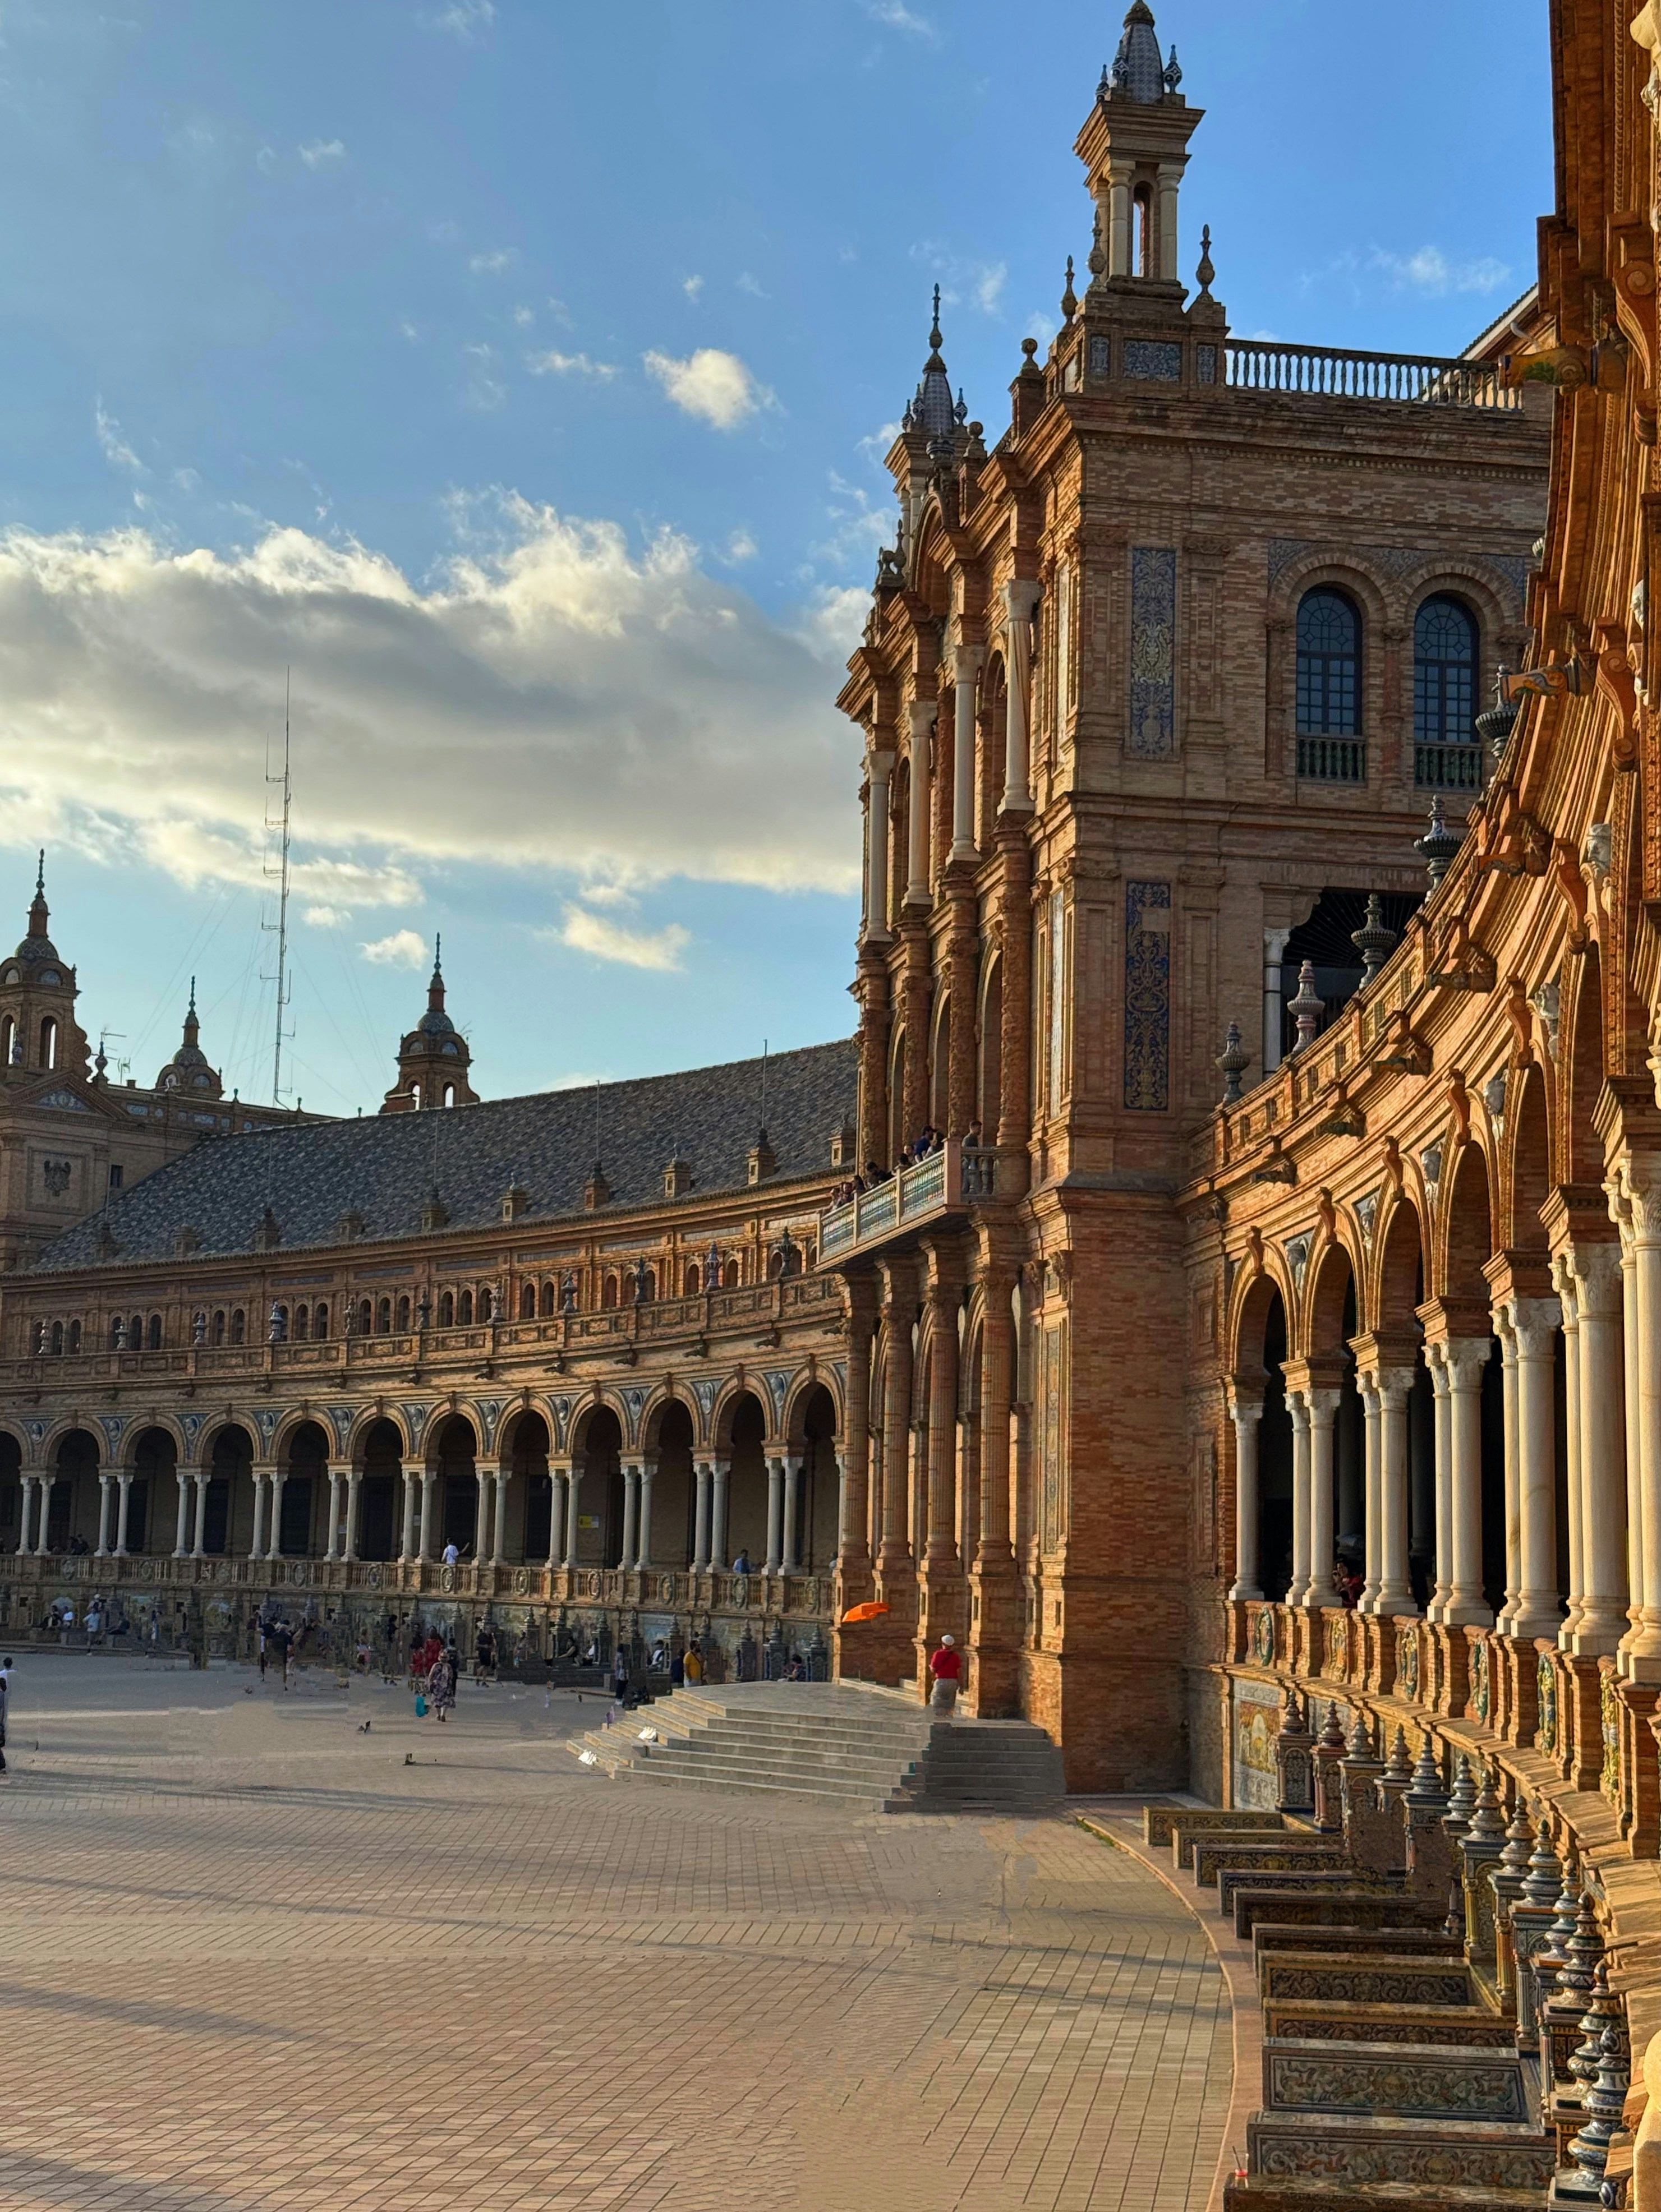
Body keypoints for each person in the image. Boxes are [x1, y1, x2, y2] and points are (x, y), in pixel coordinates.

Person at [928, 1633, 962, 1715]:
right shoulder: (955, 1656)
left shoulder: (938, 1654)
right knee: (949, 1703)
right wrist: (961, 1685)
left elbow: (933, 1669)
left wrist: (930, 1667)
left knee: (936, 1702)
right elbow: (959, 1671)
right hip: (953, 1682)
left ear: (943, 1644)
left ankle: (937, 1720)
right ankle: (947, 1718)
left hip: (941, 1681)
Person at [428, 1643, 458, 1722]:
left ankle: (438, 1715)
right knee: (445, 1701)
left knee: (437, 1701)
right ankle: (443, 1714)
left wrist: (430, 1683)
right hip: (446, 1686)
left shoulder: (436, 1665)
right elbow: (451, 1676)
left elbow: (431, 1675)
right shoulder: (449, 1667)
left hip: (437, 1685)